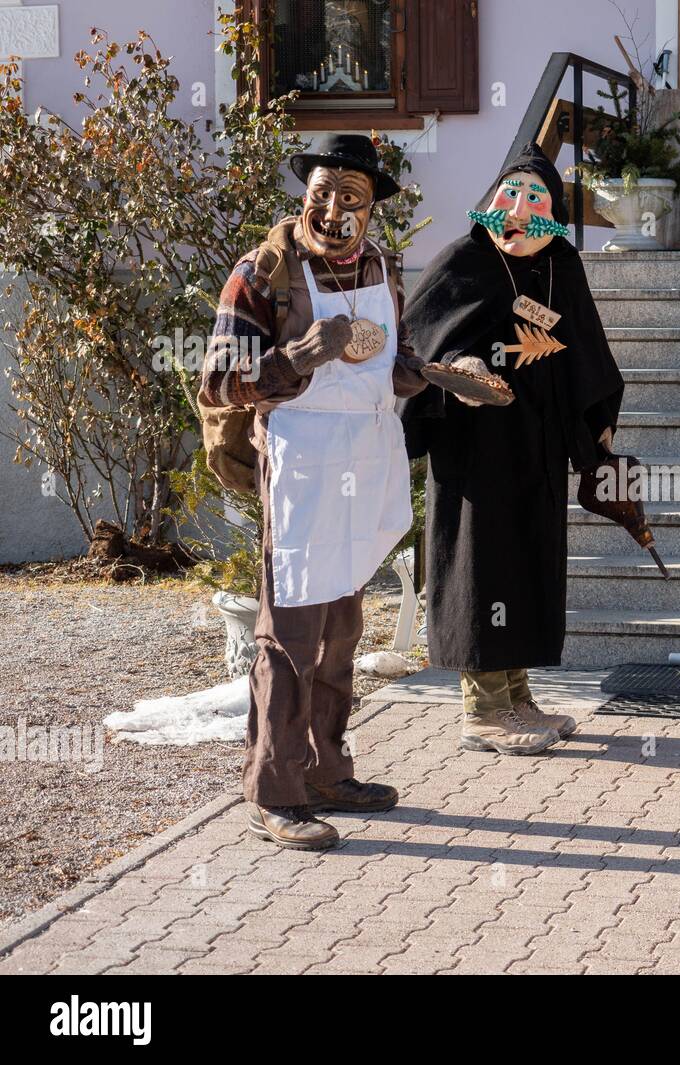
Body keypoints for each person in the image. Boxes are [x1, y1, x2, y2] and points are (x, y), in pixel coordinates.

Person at [200, 134, 428, 849]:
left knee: (343, 629)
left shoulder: (382, 269)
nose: (332, 209)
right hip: (298, 473)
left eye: (350, 198)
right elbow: (214, 380)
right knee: (290, 632)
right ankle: (274, 789)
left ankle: (329, 769)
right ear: (305, 194)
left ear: (371, 211)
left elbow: (389, 365)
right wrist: (296, 357)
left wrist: (426, 375)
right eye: (321, 192)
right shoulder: (262, 272)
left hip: (360, 466)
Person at [402, 143, 624, 756]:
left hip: (539, 444)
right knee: (484, 563)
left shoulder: (562, 266)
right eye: (510, 197)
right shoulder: (462, 263)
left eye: (536, 200)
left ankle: (516, 695)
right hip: (475, 449)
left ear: (554, 213)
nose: (520, 211)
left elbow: (587, 351)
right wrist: (458, 367)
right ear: (489, 205)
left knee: (527, 562)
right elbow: (418, 347)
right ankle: (483, 709)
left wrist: (596, 423)